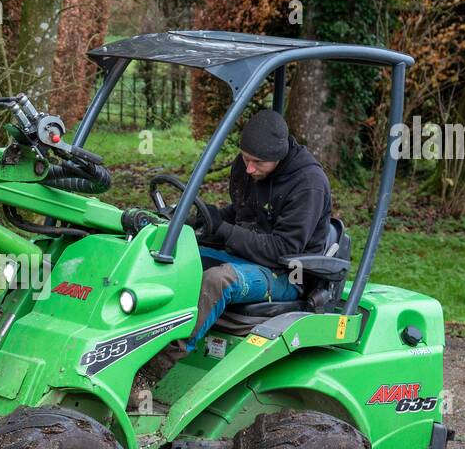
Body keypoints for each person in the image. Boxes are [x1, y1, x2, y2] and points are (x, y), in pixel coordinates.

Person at [131, 108, 333, 408]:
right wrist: (204, 219)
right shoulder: (247, 168)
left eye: (257, 163)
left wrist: (225, 230)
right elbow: (241, 216)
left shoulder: (308, 183)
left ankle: (150, 373)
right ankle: (133, 350)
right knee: (173, 257)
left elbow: (281, 249)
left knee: (218, 280)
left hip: (286, 273)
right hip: (246, 257)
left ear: (279, 156)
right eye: (245, 158)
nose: (248, 169)